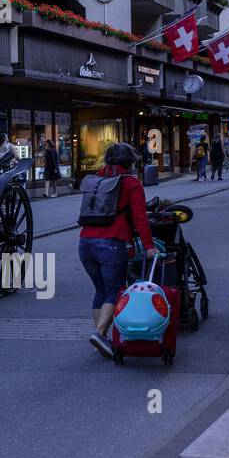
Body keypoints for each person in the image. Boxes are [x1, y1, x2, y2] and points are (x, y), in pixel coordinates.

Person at [79, 143, 156, 358]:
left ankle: (101, 340)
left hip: (85, 242)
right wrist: (149, 247)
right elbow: (141, 219)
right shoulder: (131, 183)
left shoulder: (95, 180)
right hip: (112, 242)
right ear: (130, 162)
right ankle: (100, 333)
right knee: (115, 290)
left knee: (100, 289)